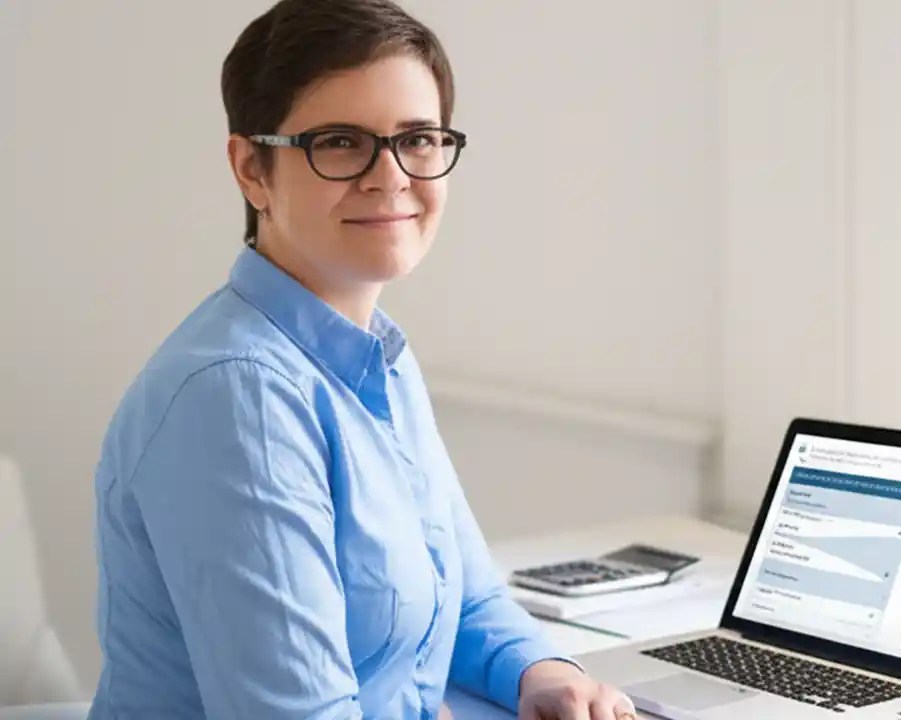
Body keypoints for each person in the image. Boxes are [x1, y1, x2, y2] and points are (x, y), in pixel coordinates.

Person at [87, 1, 635, 718]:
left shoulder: (380, 358)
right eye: (340, 142)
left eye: (418, 139)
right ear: (252, 169)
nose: (391, 176)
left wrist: (544, 673)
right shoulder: (237, 399)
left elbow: (463, 596)